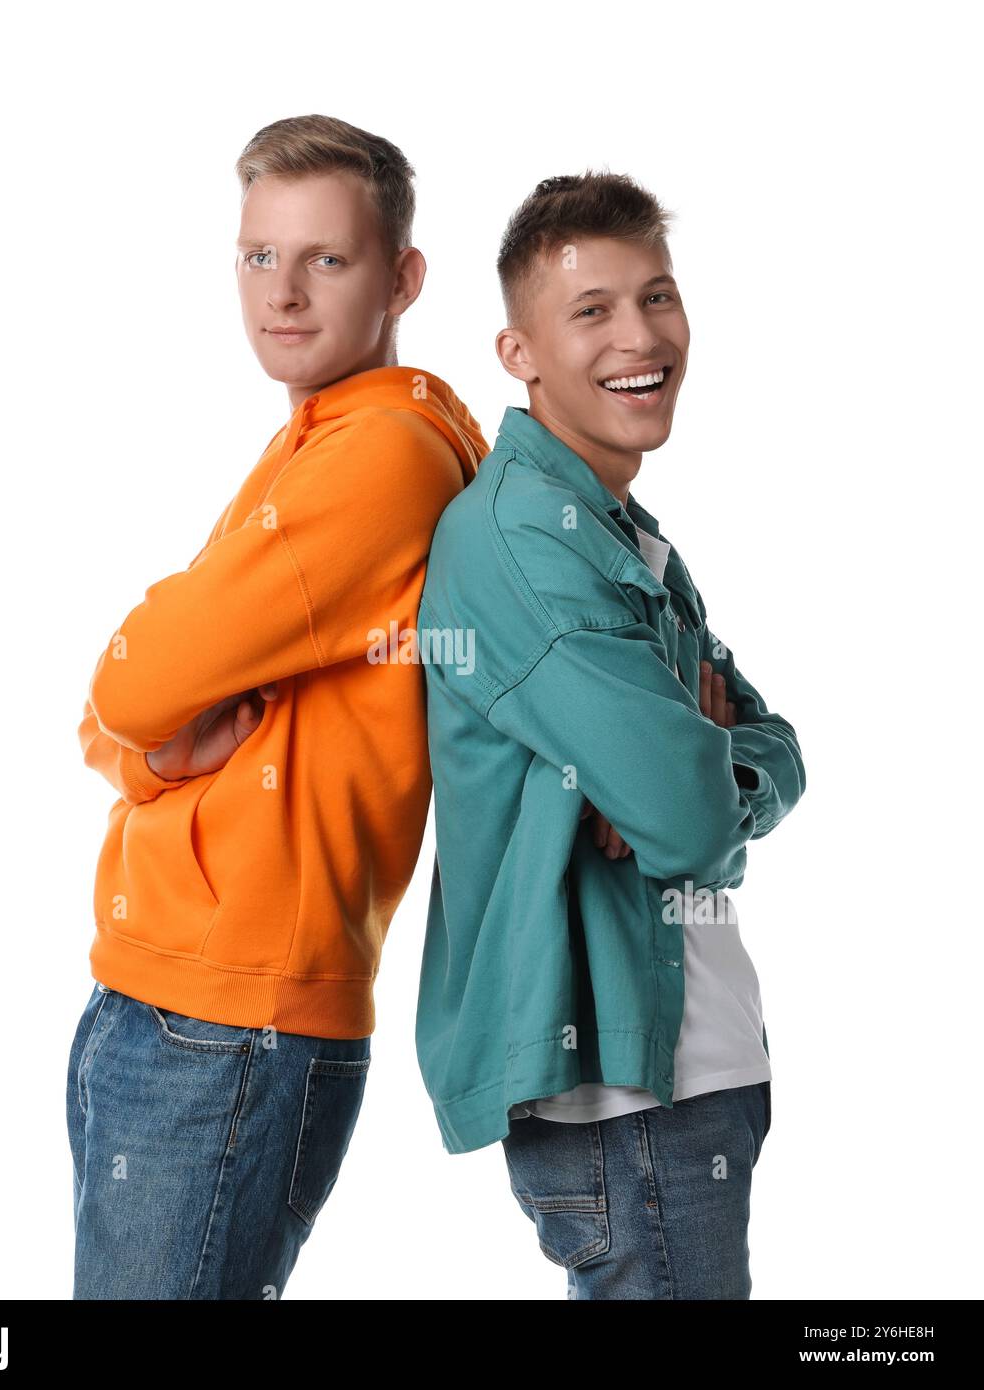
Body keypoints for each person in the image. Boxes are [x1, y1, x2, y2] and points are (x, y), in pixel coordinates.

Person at [68, 114, 488, 1300]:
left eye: (326, 259)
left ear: (403, 276)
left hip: (230, 1021)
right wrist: (149, 752)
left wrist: (143, 716)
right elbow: (133, 716)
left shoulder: (382, 454)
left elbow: (130, 682)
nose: (282, 293)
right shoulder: (315, 438)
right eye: (258, 256)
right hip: (175, 998)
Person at [415, 170, 806, 1299]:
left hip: (687, 1069)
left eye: (656, 296)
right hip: (627, 1100)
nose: (640, 335)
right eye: (590, 310)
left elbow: (771, 740)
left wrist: (704, 759)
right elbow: (684, 818)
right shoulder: (522, 542)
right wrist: (692, 772)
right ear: (518, 351)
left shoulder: (620, 533)